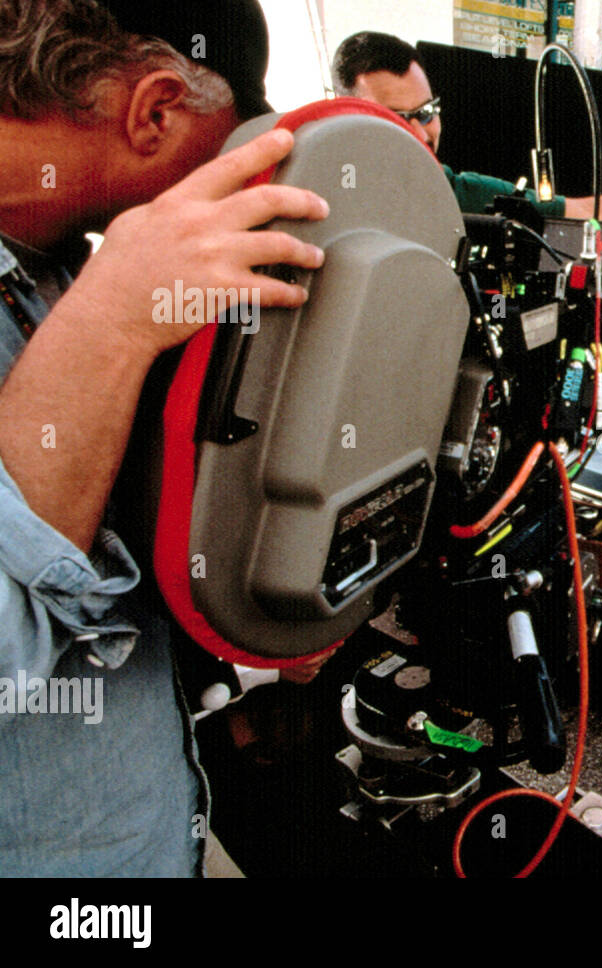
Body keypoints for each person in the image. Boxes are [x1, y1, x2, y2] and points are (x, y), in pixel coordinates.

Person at [0, 0, 332, 875]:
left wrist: (258, 617)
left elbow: (108, 568)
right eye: (228, 147)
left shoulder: (61, 266)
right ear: (152, 111)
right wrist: (109, 321)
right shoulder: (109, 288)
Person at [332, 32, 602, 234]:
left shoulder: (450, 191)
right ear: (345, 116)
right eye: (399, 118)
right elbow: (262, 321)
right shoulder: (300, 195)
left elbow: (580, 210)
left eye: (427, 113)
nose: (421, 134)